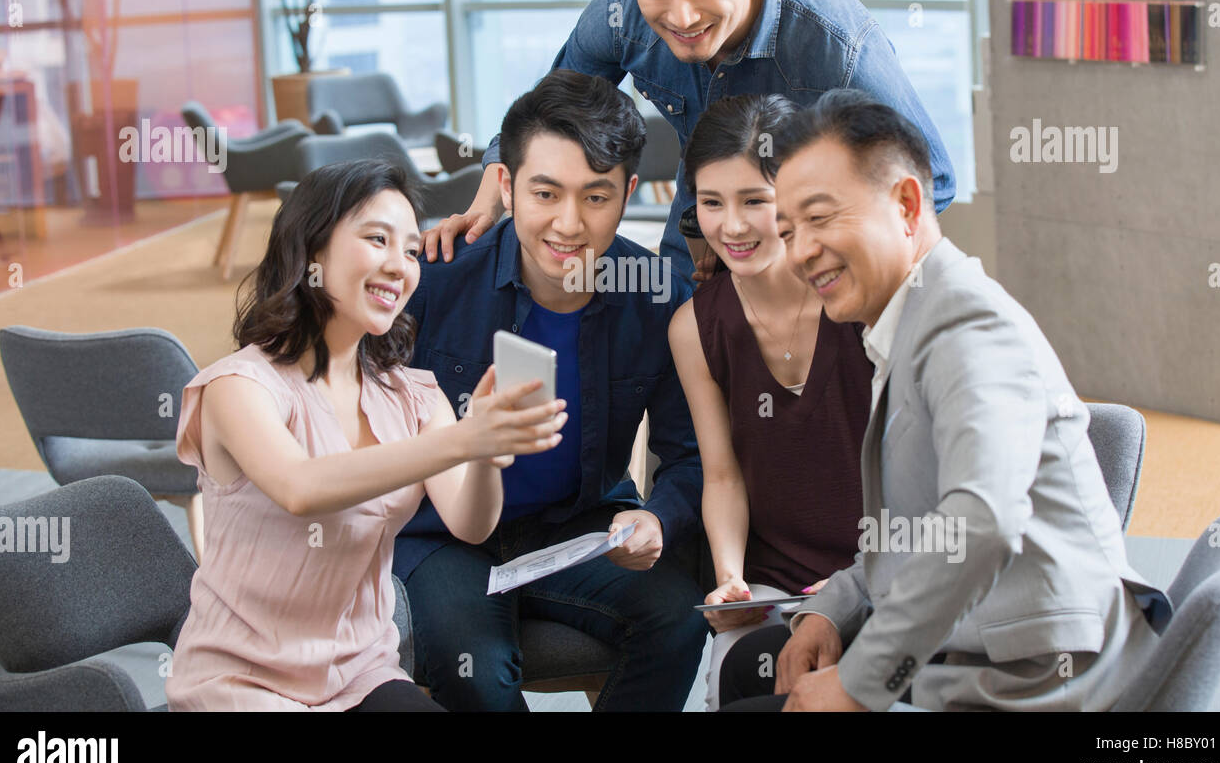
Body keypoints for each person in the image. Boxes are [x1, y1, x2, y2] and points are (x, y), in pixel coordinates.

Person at [719, 89, 1171, 711]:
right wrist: (835, 607)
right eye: (790, 231)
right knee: (758, 664)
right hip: (983, 647)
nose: (799, 252)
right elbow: (920, 525)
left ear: (906, 205)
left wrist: (858, 685)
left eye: (821, 219)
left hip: (1036, 681)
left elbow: (981, 519)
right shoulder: (908, 319)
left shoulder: (965, 327)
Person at [422, 0, 956, 286]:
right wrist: (488, 202)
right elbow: (543, 118)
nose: (680, 16)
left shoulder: (835, 43)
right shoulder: (619, 14)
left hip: (809, 246)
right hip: (697, 229)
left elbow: (934, 177)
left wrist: (806, 239)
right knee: (682, 359)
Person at [165, 160, 566, 711]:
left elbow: (471, 525)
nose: (399, 266)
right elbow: (301, 487)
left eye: (408, 249)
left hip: (361, 671)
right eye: (376, 239)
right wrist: (465, 440)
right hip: (243, 681)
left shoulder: (412, 395)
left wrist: (490, 454)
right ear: (312, 250)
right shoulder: (238, 386)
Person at [394, 69, 708, 712]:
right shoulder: (437, 277)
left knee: (680, 617)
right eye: (546, 193)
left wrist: (657, 516)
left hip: (580, 526)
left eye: (597, 197)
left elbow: (692, 454)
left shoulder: (655, 294)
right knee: (476, 672)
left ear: (630, 192)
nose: (569, 225)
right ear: (505, 187)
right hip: (443, 538)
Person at [665, 94, 871, 710]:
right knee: (748, 676)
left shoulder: (863, 301)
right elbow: (722, 473)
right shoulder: (693, 328)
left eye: (754, 200)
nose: (731, 226)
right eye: (711, 203)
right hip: (776, 586)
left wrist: (854, 588)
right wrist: (731, 578)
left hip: (884, 573)